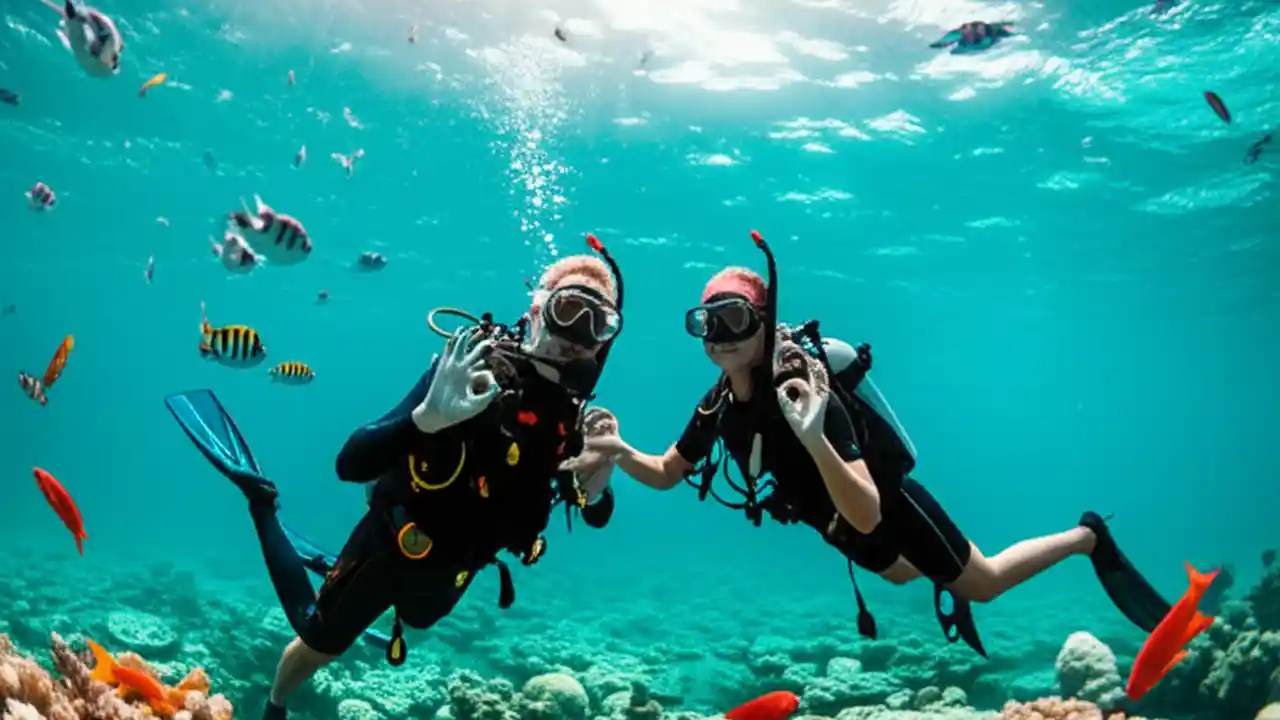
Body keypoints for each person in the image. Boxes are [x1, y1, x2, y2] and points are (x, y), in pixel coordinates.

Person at [588, 229, 1172, 657]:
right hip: (832, 522)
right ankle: (947, 572)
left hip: (885, 504)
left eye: (734, 317)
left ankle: (1086, 537)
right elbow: (667, 471)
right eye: (705, 321)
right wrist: (616, 448)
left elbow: (866, 510)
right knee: (899, 575)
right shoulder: (719, 403)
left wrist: (815, 437)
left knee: (985, 582)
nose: (717, 335)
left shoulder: (807, 387)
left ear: (765, 322)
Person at [164, 237, 626, 719]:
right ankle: (263, 514)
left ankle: (332, 572)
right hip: (392, 541)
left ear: (604, 344)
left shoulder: (574, 421)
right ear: (535, 313)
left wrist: (602, 477)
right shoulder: (469, 372)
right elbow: (351, 465)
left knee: (421, 619)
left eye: (599, 324)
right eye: (568, 309)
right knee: (319, 638)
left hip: (458, 566)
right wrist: (424, 419)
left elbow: (593, 512)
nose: (577, 334)